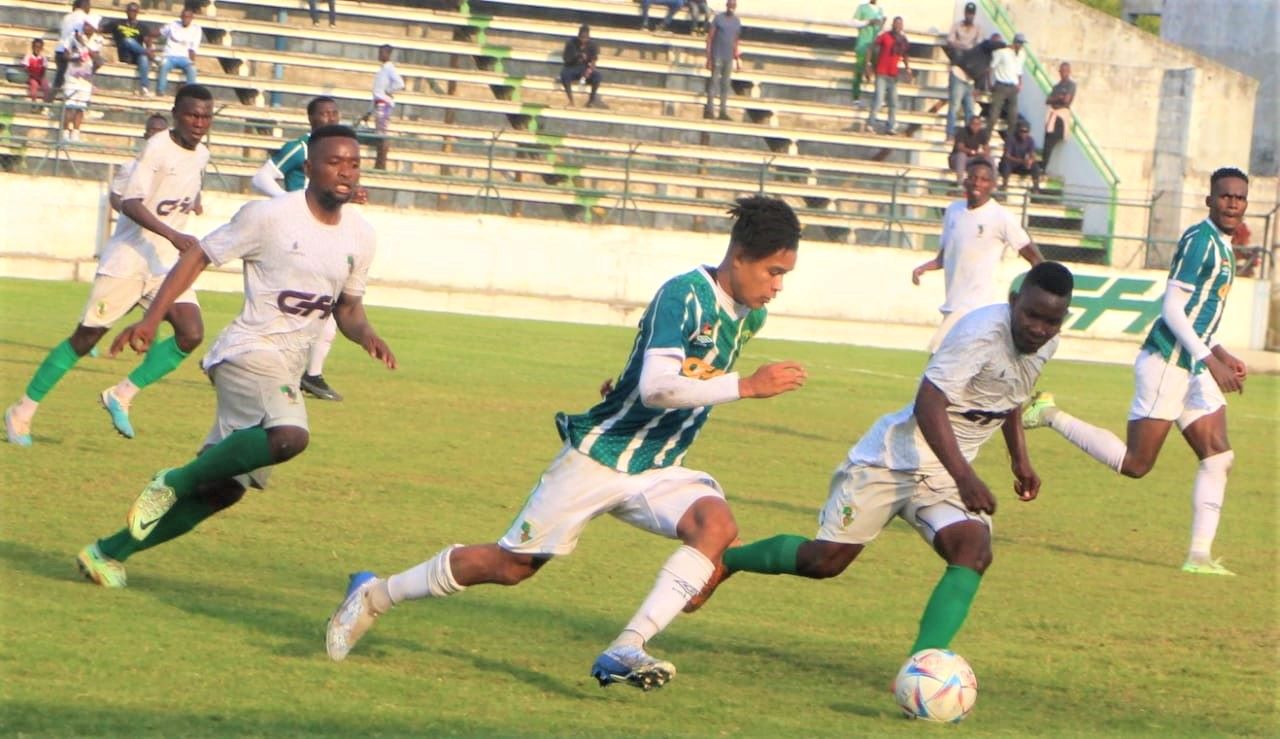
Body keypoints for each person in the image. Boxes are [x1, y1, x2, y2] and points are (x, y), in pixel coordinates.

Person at [324, 196, 808, 691]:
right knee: (511, 566)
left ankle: (628, 645)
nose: (777, 286)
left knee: (717, 525)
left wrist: (622, 385)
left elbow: (668, 369)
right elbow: (658, 387)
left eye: (784, 275)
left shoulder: (749, 316)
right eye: (773, 272)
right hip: (600, 456)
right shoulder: (684, 294)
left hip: (658, 465)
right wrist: (745, 385)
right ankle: (375, 594)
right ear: (740, 255)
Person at [685, 263, 1075, 662]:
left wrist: (1019, 459)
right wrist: (966, 477)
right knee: (825, 561)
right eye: (1032, 315)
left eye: (1052, 321)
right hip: (891, 461)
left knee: (974, 552)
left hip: (944, 473)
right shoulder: (979, 335)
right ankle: (729, 559)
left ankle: (925, 665)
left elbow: (1010, 395)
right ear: (1014, 302)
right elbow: (929, 403)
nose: (1040, 329)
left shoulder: (1045, 344)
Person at [76, 125, 395, 589]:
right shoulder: (268, 216)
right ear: (307, 170)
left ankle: (106, 552)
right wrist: (150, 320)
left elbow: (347, 308)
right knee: (289, 436)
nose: (346, 172)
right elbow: (197, 256)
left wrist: (367, 334)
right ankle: (174, 478)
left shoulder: (361, 236)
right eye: (334, 162)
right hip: (248, 353)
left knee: (223, 490)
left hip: (283, 366)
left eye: (353, 164)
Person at [1022, 168, 1251, 576]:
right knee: (1136, 464)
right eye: (1225, 197)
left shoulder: (1224, 246)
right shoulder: (1201, 242)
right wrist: (1211, 360)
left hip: (1191, 363)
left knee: (1218, 455)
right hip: (1166, 363)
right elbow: (1172, 310)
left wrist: (1221, 353)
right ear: (1210, 200)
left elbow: (1199, 319)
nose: (1232, 204)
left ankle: (1198, 557)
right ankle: (1049, 414)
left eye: (1239, 198)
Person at [5, 85, 214, 448]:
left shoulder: (202, 154)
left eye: (206, 116)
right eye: (193, 115)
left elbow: (180, 193)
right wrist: (171, 233)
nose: (199, 123)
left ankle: (121, 394)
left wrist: (186, 215)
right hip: (129, 260)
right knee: (85, 339)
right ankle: (21, 411)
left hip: (164, 264)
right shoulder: (156, 148)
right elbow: (129, 203)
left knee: (191, 333)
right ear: (177, 113)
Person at [251, 96, 368, 401]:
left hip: (320, 233)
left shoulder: (336, 154)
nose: (329, 118)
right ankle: (241, 358)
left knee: (323, 305)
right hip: (293, 235)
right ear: (311, 119)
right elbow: (261, 176)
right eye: (323, 114)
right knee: (288, 305)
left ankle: (312, 375)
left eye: (334, 113)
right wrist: (288, 203)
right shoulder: (301, 147)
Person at [911, 158, 1043, 352]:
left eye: (983, 179)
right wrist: (924, 268)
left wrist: (1039, 287)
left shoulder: (1000, 216)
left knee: (938, 353)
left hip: (976, 305)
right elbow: (945, 256)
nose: (977, 183)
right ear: (965, 180)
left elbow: (1032, 255)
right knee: (960, 364)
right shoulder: (953, 211)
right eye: (972, 177)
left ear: (992, 185)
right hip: (953, 302)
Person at [109, 113, 171, 214]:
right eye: (153, 130)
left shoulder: (176, 166)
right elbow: (115, 195)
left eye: (161, 132)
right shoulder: (130, 167)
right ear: (145, 135)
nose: (157, 135)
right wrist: (130, 215)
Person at [867, 16, 913, 135]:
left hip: (893, 75)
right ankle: (870, 124)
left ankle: (890, 126)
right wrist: (868, 64)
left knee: (893, 103)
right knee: (878, 100)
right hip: (882, 73)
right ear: (893, 25)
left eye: (900, 25)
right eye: (896, 24)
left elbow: (905, 54)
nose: (898, 27)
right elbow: (871, 47)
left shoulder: (902, 40)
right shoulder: (885, 36)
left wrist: (908, 68)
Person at [102, 3, 154, 96]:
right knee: (127, 40)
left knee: (144, 58)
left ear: (137, 12)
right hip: (124, 54)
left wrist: (149, 48)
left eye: (134, 11)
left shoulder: (142, 27)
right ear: (126, 11)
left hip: (137, 55)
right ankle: (148, 54)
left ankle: (144, 87)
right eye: (130, 10)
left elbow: (147, 41)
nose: (132, 13)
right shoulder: (117, 23)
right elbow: (100, 29)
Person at [945, 3, 980, 140]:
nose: (969, 16)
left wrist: (966, 47)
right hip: (958, 72)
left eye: (971, 14)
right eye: (967, 13)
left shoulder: (977, 29)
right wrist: (965, 47)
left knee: (970, 110)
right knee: (954, 106)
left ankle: (969, 138)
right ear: (964, 13)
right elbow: (950, 41)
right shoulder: (957, 26)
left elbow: (979, 46)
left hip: (970, 76)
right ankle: (950, 133)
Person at [704, 0, 741, 121]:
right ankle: (710, 110)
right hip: (717, 55)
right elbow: (710, 37)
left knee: (725, 85)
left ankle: (722, 111)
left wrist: (737, 57)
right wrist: (708, 57)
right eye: (730, 5)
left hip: (729, 57)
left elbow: (735, 40)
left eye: (733, 6)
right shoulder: (718, 19)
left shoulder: (736, 21)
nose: (731, 8)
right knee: (714, 82)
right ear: (726, 6)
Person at [48, 0, 91, 104]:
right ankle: (79, 107)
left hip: (60, 51)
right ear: (85, 5)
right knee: (80, 82)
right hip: (72, 53)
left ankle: (46, 104)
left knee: (58, 81)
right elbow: (78, 37)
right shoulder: (84, 18)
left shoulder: (66, 17)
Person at [370, 44, 405, 170]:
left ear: (387, 53)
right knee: (379, 133)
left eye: (382, 52)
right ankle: (379, 163)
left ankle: (381, 164)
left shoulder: (389, 68)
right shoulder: (383, 69)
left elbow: (400, 84)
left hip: (383, 103)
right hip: (379, 103)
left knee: (381, 133)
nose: (379, 55)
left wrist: (388, 91)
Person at [986, 32, 1026, 137]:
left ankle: (1009, 142)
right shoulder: (1002, 52)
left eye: (1022, 44)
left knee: (1013, 117)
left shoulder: (1022, 54)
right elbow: (991, 68)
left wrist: (1020, 83)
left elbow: (1019, 70)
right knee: (993, 115)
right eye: (1019, 43)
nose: (1020, 46)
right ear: (1015, 42)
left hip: (1013, 87)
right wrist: (989, 83)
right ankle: (986, 138)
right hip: (1001, 85)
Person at [156, 7, 201, 97]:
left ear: (192, 18)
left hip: (184, 58)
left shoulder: (196, 29)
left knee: (192, 69)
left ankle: (190, 94)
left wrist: (192, 62)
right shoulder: (173, 25)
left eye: (188, 17)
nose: (185, 19)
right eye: (184, 16)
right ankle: (160, 91)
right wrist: (148, 37)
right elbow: (159, 32)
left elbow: (193, 49)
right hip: (169, 56)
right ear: (181, 17)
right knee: (163, 65)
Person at [559, 24, 606, 109]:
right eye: (582, 38)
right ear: (578, 36)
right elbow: (566, 59)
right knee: (564, 75)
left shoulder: (592, 45)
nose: (583, 40)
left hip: (584, 68)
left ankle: (591, 101)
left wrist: (590, 70)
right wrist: (576, 56)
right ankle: (571, 100)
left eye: (586, 38)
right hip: (572, 67)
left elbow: (593, 61)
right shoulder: (571, 43)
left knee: (597, 76)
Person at [850, 0, 885, 106]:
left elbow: (879, 29)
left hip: (875, 45)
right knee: (859, 69)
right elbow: (854, 22)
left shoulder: (880, 10)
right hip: (863, 44)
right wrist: (868, 22)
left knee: (878, 71)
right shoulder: (862, 7)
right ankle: (856, 97)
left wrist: (881, 25)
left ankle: (879, 98)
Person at [1042, 61, 1075, 169]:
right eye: (1062, 71)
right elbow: (1047, 100)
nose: (1063, 73)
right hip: (1053, 114)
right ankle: (1043, 165)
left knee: (1051, 140)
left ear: (1069, 72)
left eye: (1065, 71)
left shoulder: (1071, 85)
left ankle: (1044, 166)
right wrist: (1058, 98)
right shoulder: (1057, 86)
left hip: (1061, 116)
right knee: (1047, 141)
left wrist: (1056, 99)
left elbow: (1066, 101)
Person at [999, 121, 1043, 192]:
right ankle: (1004, 186)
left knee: (1035, 165)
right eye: (1022, 131)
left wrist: (1031, 160)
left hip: (1021, 165)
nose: (1024, 133)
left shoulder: (1030, 140)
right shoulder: (1011, 139)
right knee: (1006, 163)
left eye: (1026, 131)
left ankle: (1036, 188)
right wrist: (1022, 161)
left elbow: (1032, 153)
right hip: (1011, 164)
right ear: (1018, 130)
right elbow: (1007, 155)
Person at [950, 115, 990, 185]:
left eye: (978, 124)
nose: (975, 126)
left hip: (971, 159)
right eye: (973, 124)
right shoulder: (962, 131)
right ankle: (959, 183)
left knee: (990, 158)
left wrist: (984, 153)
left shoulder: (982, 133)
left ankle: (993, 185)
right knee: (961, 155)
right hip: (956, 159)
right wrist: (973, 152)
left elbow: (987, 148)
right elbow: (960, 147)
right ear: (969, 124)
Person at [23, 38, 49, 102]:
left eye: (39, 47)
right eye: (35, 47)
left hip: (41, 76)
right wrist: (33, 76)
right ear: (32, 47)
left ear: (41, 48)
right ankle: (34, 104)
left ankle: (45, 105)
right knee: (34, 86)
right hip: (32, 76)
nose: (37, 49)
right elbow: (26, 68)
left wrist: (41, 77)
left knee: (46, 87)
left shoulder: (43, 57)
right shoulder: (28, 56)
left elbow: (44, 68)